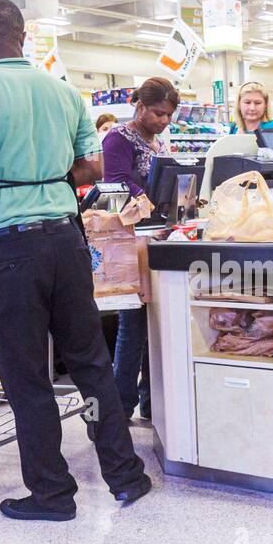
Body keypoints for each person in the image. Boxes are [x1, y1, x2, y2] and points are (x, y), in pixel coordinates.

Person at [0, 0, 152, 522]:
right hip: (68, 242)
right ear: (24, 37)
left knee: (27, 378)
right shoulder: (64, 93)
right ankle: (126, 477)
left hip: (14, 247)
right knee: (90, 363)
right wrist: (52, 180)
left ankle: (52, 494)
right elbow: (90, 166)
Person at [102, 76, 179, 421]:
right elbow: (116, 183)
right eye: (158, 113)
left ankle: (150, 402)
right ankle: (120, 408)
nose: (163, 121)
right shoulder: (118, 138)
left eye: (169, 115)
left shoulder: (159, 141)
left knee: (155, 322)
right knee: (132, 323)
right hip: (129, 240)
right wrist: (147, 197)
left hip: (156, 236)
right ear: (141, 106)